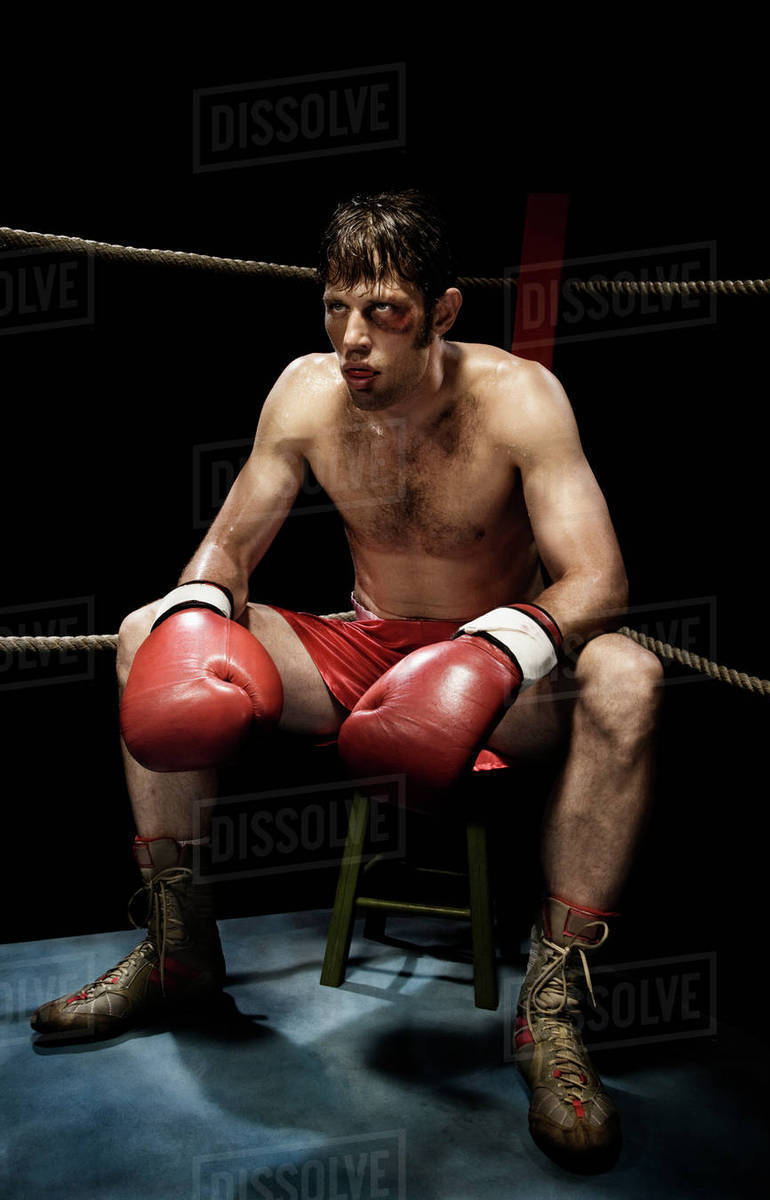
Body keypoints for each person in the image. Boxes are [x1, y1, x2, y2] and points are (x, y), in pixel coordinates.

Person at [31, 190, 663, 1174]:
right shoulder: (305, 392)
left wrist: (491, 649)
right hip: (360, 653)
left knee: (627, 675)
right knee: (149, 629)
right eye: (336, 307)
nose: (353, 338)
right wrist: (198, 609)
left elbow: (599, 581)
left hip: (496, 673)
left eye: (383, 312)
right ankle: (178, 949)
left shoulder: (518, 400)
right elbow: (225, 554)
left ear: (442, 312)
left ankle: (553, 1012)